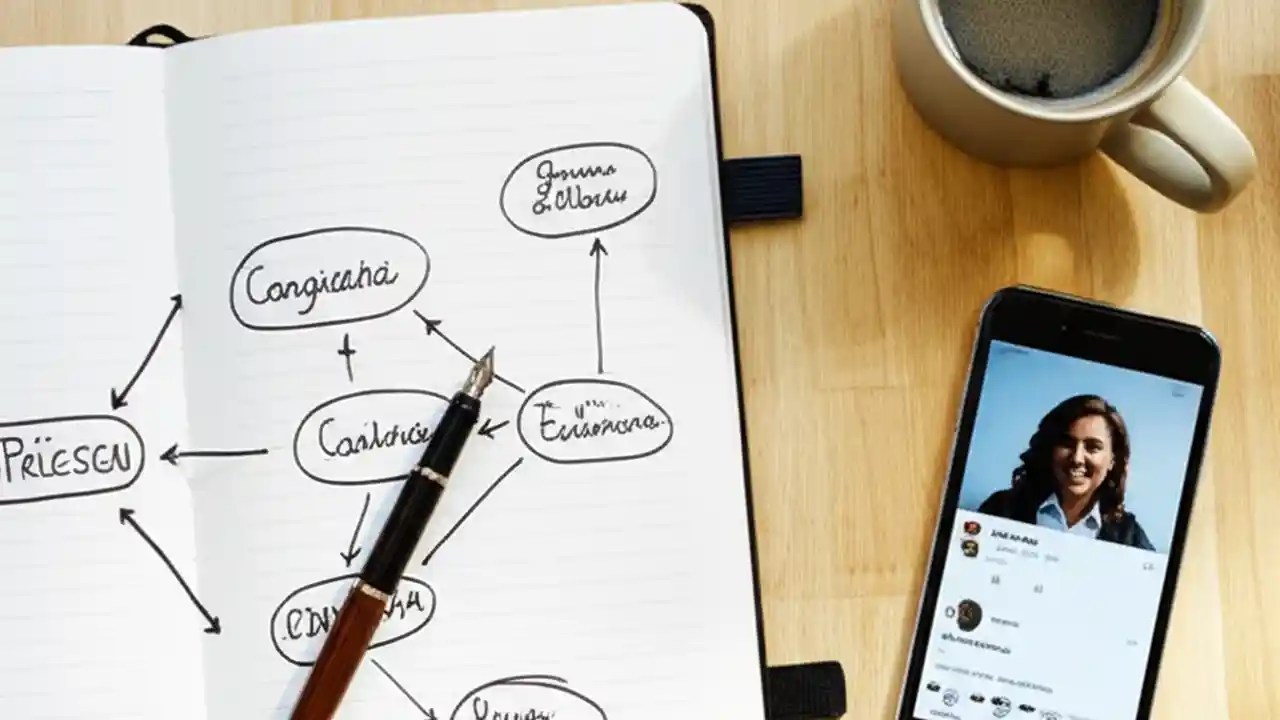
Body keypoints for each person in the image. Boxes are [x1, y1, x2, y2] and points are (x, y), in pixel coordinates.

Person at [977, 394, 1154, 550]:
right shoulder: (1002, 508)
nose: (1077, 458)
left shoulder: (1129, 537)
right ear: (1050, 449)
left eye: (1093, 447)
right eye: (1067, 444)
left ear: (1112, 461)